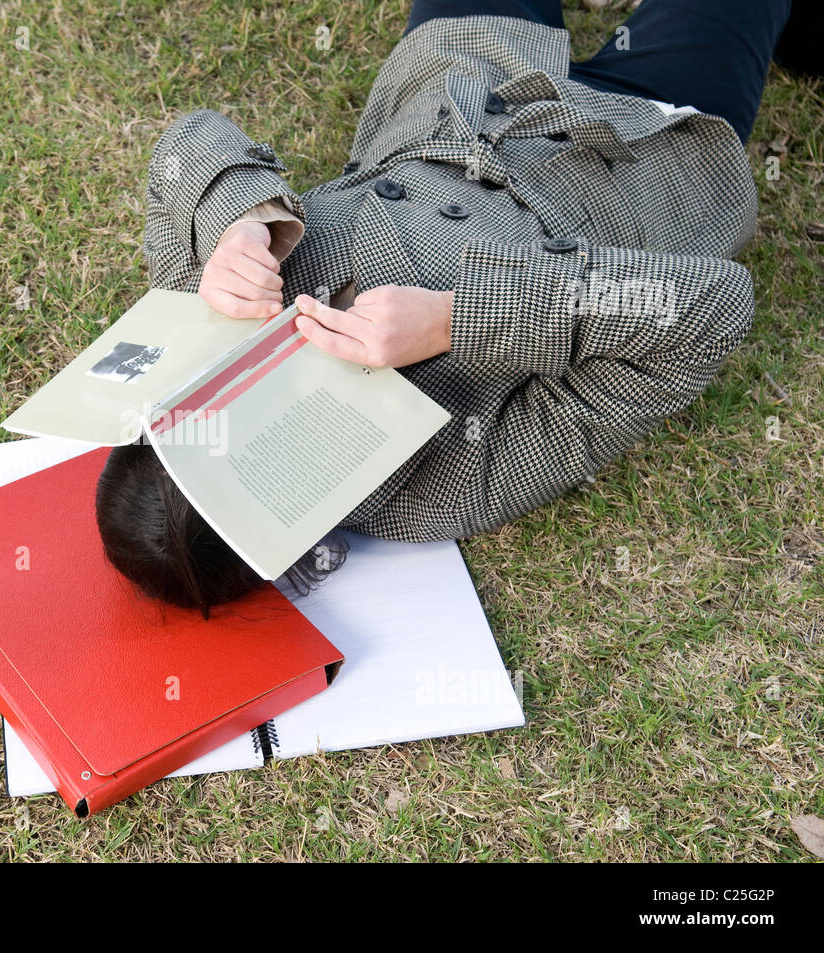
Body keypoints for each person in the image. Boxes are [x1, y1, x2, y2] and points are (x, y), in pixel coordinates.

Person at [98, 0, 806, 617]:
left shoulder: (208, 315)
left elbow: (185, 145)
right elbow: (707, 309)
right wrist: (456, 317)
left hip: (471, 77)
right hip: (642, 152)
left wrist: (239, 221)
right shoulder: (446, 483)